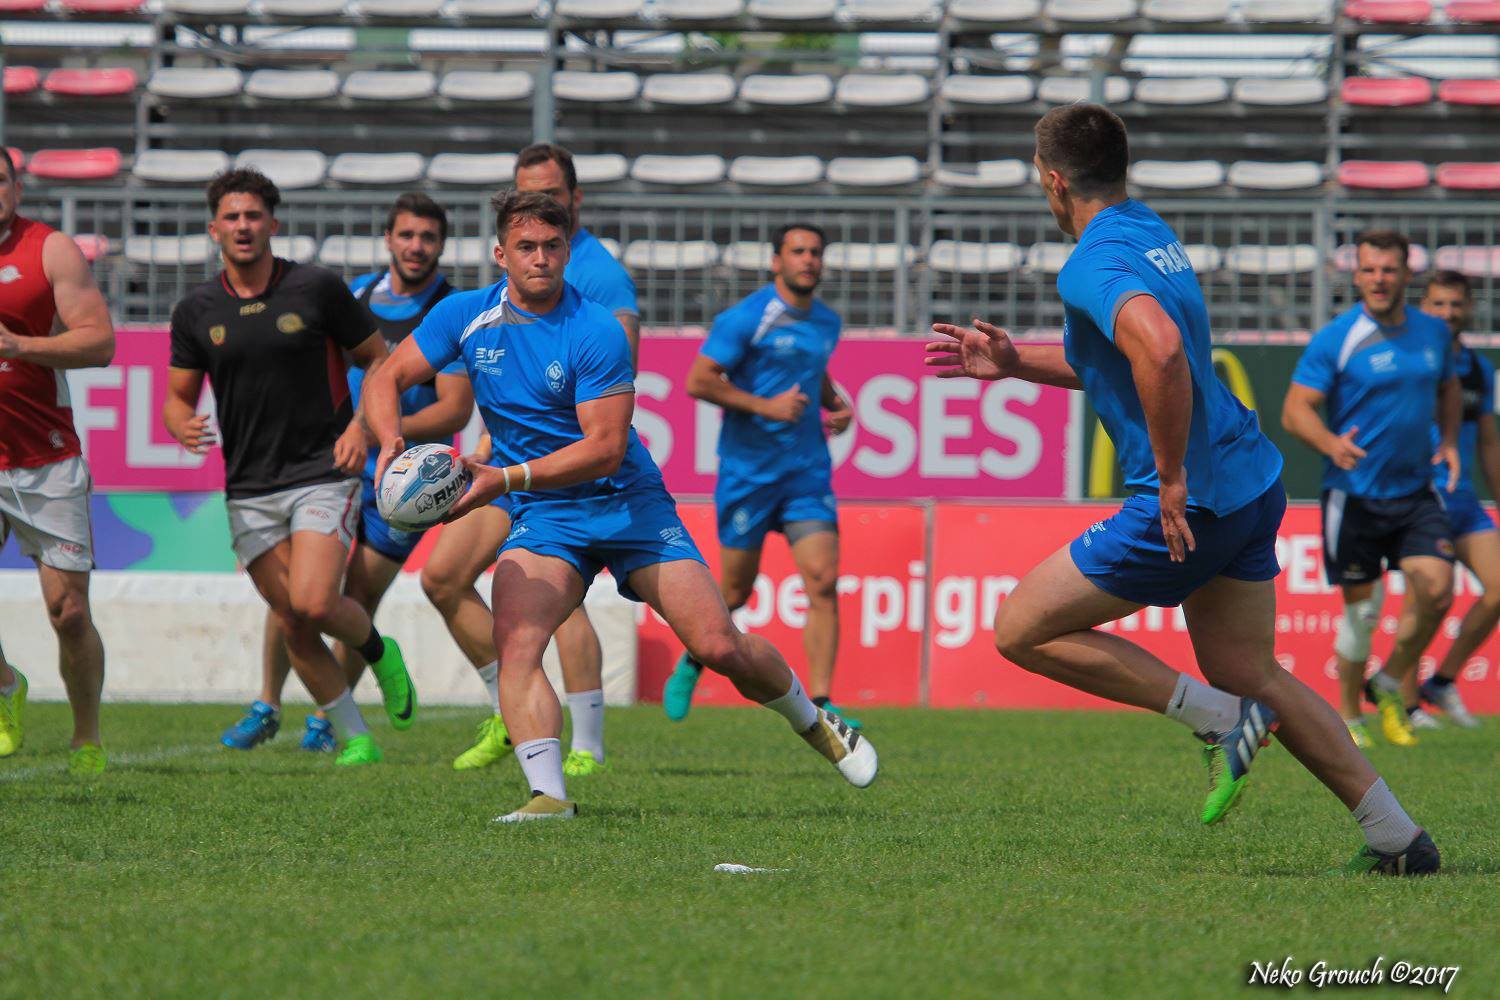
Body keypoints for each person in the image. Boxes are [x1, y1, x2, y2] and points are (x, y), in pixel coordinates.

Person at [926, 104, 1438, 875]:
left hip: (1191, 502)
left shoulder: (1090, 263)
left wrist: (1169, 480)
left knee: (1020, 629)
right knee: (1252, 669)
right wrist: (1016, 363)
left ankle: (1220, 720)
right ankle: (1399, 838)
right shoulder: (1149, 231)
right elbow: (1128, 360)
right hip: (1249, 483)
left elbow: (1161, 352)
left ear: (1055, 181)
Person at [364, 190, 876, 822]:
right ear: (500, 254)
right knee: (517, 641)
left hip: (628, 505)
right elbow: (387, 376)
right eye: (527, 247)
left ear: (567, 252)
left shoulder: (596, 328)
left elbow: (605, 450)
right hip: (546, 515)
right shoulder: (463, 315)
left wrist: (505, 478)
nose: (541, 258)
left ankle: (814, 720)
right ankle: (548, 796)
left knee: (719, 645)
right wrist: (390, 440)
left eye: (553, 246)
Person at [162, 168, 418, 767]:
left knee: (314, 602)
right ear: (213, 229)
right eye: (231, 217)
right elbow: (177, 396)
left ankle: (380, 652)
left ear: (273, 224)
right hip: (247, 488)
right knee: (291, 620)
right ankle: (355, 737)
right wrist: (178, 422)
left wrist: (360, 427)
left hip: (322, 472)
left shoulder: (316, 288)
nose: (243, 226)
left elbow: (379, 361)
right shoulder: (195, 310)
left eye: (253, 215)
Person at [226, 192, 473, 752]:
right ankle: (267, 704)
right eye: (406, 234)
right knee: (292, 588)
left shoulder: (449, 310)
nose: (416, 246)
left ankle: (324, 718)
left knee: (358, 594)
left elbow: (455, 411)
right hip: (331, 465)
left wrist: (379, 431)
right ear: (388, 239)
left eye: (428, 237)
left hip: (406, 480)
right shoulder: (354, 295)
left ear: (441, 246)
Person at [424, 143, 637, 777]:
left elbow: (607, 387)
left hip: (567, 467)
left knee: (559, 599)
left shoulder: (599, 276)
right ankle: (508, 707)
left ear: (575, 201)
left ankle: (588, 744)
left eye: (549, 192)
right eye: (525, 189)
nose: (536, 202)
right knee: (442, 577)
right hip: (506, 465)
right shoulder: (515, 263)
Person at [663, 223, 857, 725]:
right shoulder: (746, 318)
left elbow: (813, 371)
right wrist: (765, 407)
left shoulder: (827, 321)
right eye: (798, 251)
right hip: (748, 474)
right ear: (776, 261)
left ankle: (824, 703)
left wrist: (835, 405)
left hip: (806, 473)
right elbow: (699, 380)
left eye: (815, 252)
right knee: (734, 593)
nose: (808, 260)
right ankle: (692, 661)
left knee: (824, 581)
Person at [1282, 231, 1461, 750]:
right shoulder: (1338, 338)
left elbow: (1449, 386)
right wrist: (1330, 443)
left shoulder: (1433, 332)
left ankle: (1388, 681)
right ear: (1356, 276)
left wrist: (1450, 440)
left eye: (1388, 269)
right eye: (1369, 270)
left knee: (1437, 589)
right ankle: (1348, 716)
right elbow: (1294, 410)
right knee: (1362, 613)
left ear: (1407, 274)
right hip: (1355, 495)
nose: (1379, 279)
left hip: (1416, 492)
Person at [0, 147, 115, 776]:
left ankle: (86, 737)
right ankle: (4, 684)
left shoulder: (50, 250)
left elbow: (100, 343)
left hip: (44, 459)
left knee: (67, 613)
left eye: (0, 180)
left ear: (16, 188)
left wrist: (20, 345)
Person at [1399, 271, 1489, 729]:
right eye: (1439, 304)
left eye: (1456, 304)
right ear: (1424, 307)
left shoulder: (1478, 368)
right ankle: (1405, 704)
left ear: (1469, 308)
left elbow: (1489, 441)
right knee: (1424, 602)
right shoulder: (1412, 360)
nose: (1448, 313)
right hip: (1421, 497)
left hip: (1466, 501)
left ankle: (1442, 680)